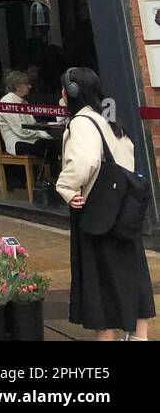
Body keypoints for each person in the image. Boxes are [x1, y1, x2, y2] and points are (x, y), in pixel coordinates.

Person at [56, 67, 153, 341]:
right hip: (124, 207)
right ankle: (139, 336)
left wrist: (65, 187)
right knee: (131, 271)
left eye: (63, 88)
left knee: (100, 278)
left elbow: (84, 162)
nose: (61, 93)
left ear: (72, 92)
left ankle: (106, 338)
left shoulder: (81, 123)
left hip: (97, 208)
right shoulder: (109, 120)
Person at [0, 70, 59, 167]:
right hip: (17, 142)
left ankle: (53, 177)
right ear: (17, 86)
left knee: (57, 145)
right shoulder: (7, 102)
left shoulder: (24, 102)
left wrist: (46, 136)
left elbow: (33, 124)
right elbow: (20, 131)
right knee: (52, 148)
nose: (30, 86)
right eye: (26, 84)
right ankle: (52, 178)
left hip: (30, 139)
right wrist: (39, 135)